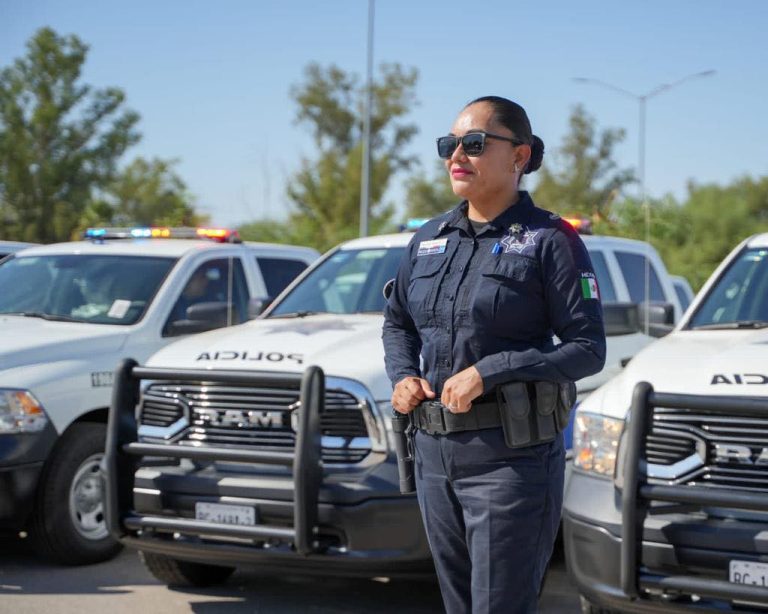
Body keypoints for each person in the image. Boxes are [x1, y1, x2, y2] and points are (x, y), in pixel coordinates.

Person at [382, 96, 606, 613]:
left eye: (476, 144)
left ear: (520, 156)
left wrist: (492, 371)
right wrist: (402, 376)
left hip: (510, 463)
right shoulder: (428, 238)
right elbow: (398, 323)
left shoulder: (552, 240)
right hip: (436, 457)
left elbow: (588, 349)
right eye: (450, 144)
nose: (457, 154)